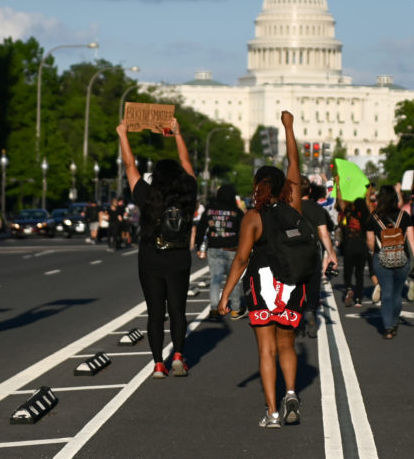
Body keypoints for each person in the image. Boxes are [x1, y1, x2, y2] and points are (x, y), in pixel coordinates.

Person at [218, 110, 305, 428]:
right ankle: (292, 391)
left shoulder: (252, 218)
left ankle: (271, 412)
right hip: (292, 283)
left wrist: (225, 296)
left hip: (260, 285)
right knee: (287, 343)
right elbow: (295, 164)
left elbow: (241, 260)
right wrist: (289, 128)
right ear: (284, 185)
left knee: (266, 349)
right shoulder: (293, 205)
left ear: (257, 187)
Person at [117, 116, 196, 379]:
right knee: (177, 310)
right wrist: (177, 134)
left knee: (155, 313)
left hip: (150, 260)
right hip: (179, 259)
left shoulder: (147, 196)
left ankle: (157, 364)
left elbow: (129, 165)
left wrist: (123, 135)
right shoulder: (188, 193)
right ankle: (177, 356)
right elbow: (186, 164)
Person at [366, 184, 414, 339]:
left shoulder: (373, 217)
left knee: (387, 293)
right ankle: (395, 320)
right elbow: (412, 240)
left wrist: (374, 251)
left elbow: (370, 241)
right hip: (402, 259)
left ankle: (388, 327)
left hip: (381, 259)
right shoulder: (404, 216)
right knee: (397, 294)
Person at [196, 184, 246, 321]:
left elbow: (201, 228)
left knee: (215, 279)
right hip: (232, 248)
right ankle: (235, 309)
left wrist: (199, 246)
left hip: (213, 248)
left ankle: (214, 309)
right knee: (233, 279)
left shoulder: (210, 210)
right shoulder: (236, 211)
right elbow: (244, 230)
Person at [299, 179, 339, 337]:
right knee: (313, 284)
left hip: (292, 252)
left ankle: (296, 320)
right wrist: (331, 253)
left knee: (294, 285)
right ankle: (310, 311)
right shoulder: (317, 209)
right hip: (313, 251)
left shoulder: (289, 208)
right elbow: (324, 233)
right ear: (310, 191)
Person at [338, 196, 371, 307]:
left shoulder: (348, 215)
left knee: (348, 271)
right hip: (362, 246)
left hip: (349, 245)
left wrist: (337, 185)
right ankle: (358, 299)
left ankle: (348, 289)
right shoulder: (366, 217)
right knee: (359, 273)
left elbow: (341, 203)